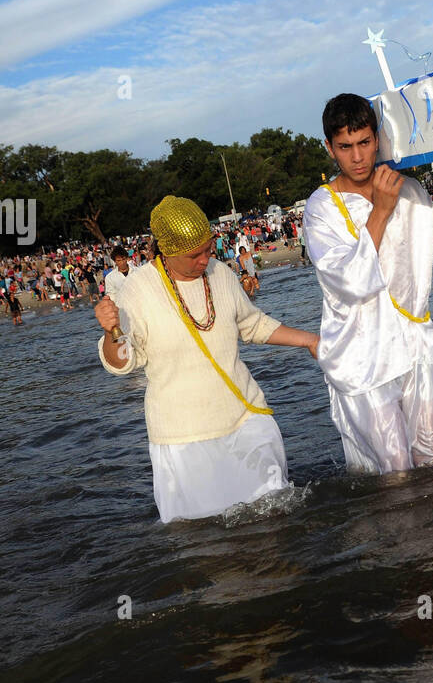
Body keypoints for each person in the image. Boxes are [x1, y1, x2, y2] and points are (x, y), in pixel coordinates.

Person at [95, 195, 320, 523]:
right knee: (207, 540)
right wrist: (110, 331)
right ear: (167, 252)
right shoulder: (139, 290)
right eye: (194, 254)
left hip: (245, 417)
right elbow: (124, 362)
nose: (205, 260)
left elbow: (252, 324)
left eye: (208, 248)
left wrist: (309, 340)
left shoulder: (220, 274)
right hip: (184, 438)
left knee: (276, 520)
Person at [302, 92, 433, 474]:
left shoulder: (407, 189)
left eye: (365, 143)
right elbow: (351, 280)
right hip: (362, 354)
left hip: (416, 343)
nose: (357, 157)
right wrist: (382, 210)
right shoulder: (321, 208)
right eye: (345, 147)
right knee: (396, 467)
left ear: (378, 138)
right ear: (330, 148)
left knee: (432, 456)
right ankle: (395, 535)